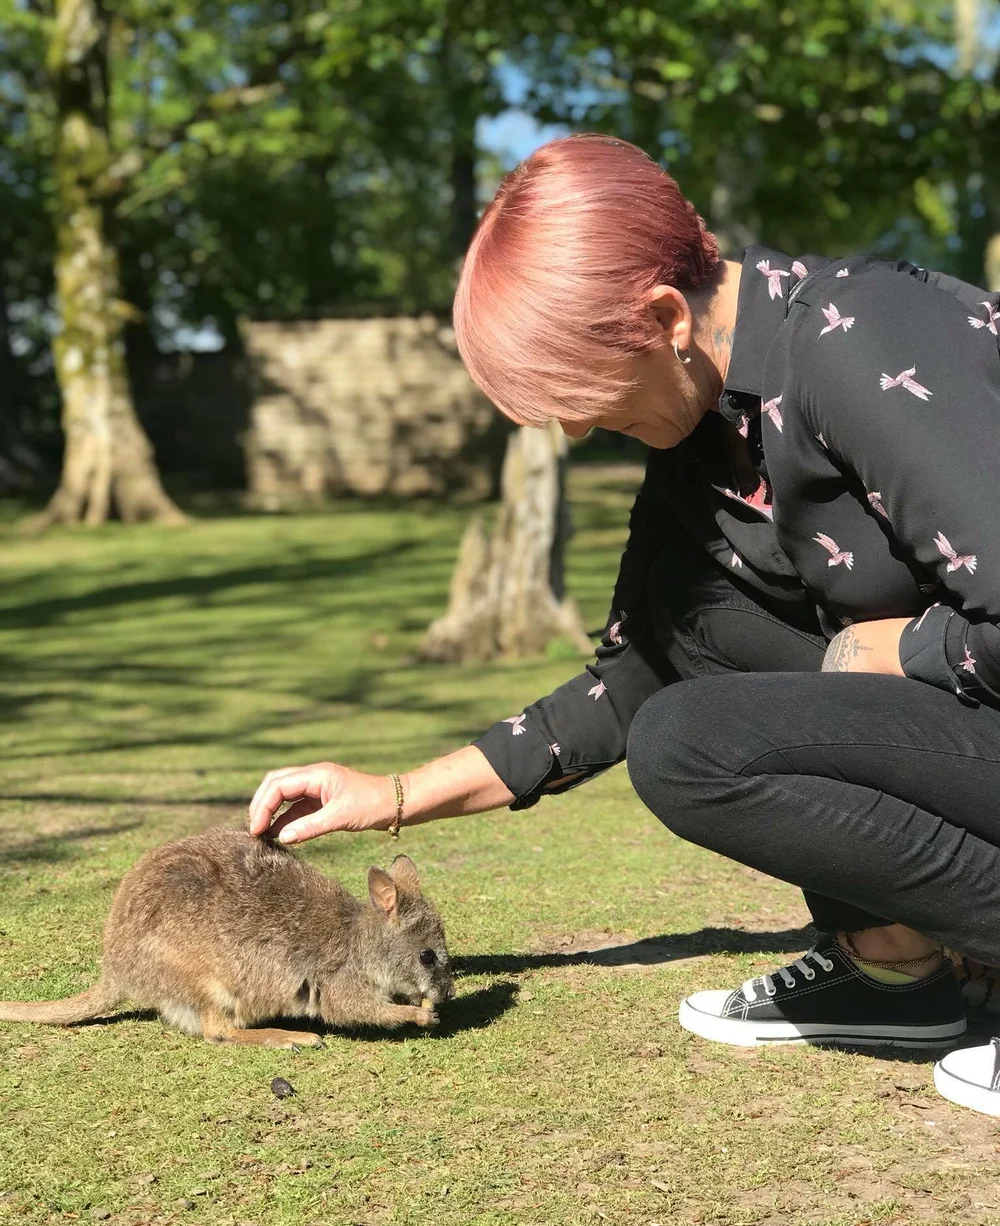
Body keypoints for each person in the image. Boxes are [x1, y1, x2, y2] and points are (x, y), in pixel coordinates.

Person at [249, 134, 1000, 1120]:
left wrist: (901, 649)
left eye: (580, 394)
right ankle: (898, 971)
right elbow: (633, 673)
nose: (569, 430)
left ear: (659, 316)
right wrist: (388, 793)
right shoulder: (703, 429)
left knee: (688, 745)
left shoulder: (864, 338)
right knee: (696, 640)